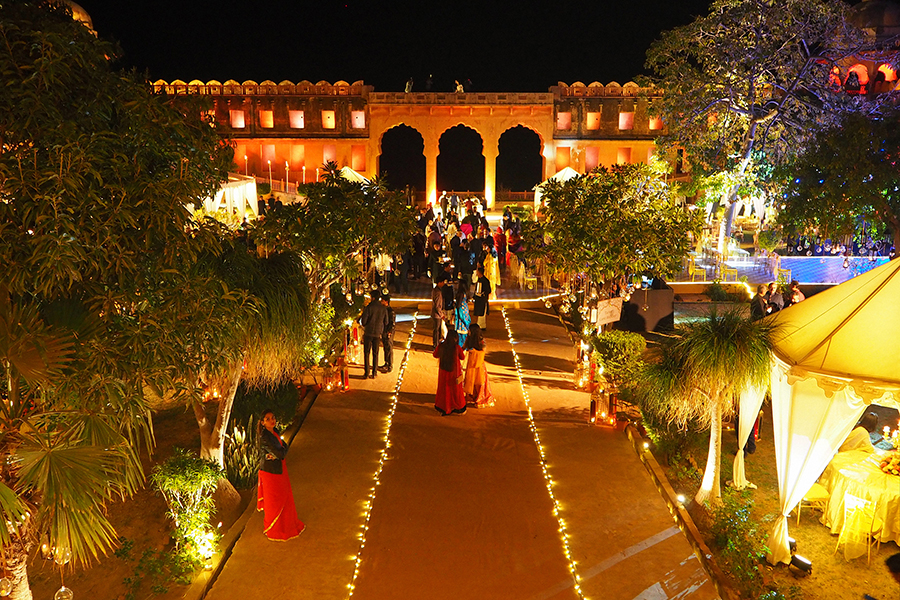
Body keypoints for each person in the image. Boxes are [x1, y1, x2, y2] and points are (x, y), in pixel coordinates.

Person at [257, 409, 304, 540]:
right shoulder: (265, 437)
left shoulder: (275, 432)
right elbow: (281, 453)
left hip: (279, 468)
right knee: (274, 501)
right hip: (270, 472)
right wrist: (281, 451)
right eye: (268, 419)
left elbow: (284, 448)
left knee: (285, 496)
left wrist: (281, 450)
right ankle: (275, 529)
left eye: (273, 417)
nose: (272, 420)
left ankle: (286, 524)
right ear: (262, 423)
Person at [433, 329, 466, 415]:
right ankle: (456, 407)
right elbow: (462, 357)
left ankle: (444, 407)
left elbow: (435, 355)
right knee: (455, 391)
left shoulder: (442, 346)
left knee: (444, 390)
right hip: (454, 373)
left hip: (443, 372)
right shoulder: (457, 348)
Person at [464, 324, 494, 408]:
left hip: (478, 364)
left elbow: (483, 353)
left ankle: (480, 399)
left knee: (479, 382)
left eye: (469, 330)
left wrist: (474, 352)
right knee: (470, 380)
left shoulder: (481, 341)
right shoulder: (468, 338)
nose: (468, 332)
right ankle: (471, 396)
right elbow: (463, 347)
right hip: (470, 364)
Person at [360, 294, 389, 379]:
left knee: (366, 353)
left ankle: (366, 372)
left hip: (368, 333)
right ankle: (374, 372)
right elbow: (386, 322)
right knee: (375, 353)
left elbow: (364, 321)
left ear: (372, 298)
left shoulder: (368, 307)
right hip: (377, 333)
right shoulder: (383, 308)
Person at [379, 295, 395, 373]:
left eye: (382, 300)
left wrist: (389, 331)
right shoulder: (383, 310)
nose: (381, 302)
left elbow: (392, 323)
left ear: (386, 302)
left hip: (387, 331)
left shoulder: (390, 311)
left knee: (389, 348)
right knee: (385, 348)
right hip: (384, 331)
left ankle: (390, 365)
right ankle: (386, 363)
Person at [473, 265, 491, 330]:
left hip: (482, 300)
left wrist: (482, 294)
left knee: (482, 313)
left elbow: (488, 290)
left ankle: (482, 326)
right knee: (479, 313)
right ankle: (480, 325)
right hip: (479, 299)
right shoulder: (479, 280)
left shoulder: (485, 281)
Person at [431, 277, 446, 349]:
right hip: (437, 315)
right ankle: (436, 345)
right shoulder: (438, 292)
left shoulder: (435, 290)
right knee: (437, 331)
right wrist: (441, 314)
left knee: (437, 330)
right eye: (443, 282)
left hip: (436, 314)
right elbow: (437, 306)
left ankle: (436, 344)